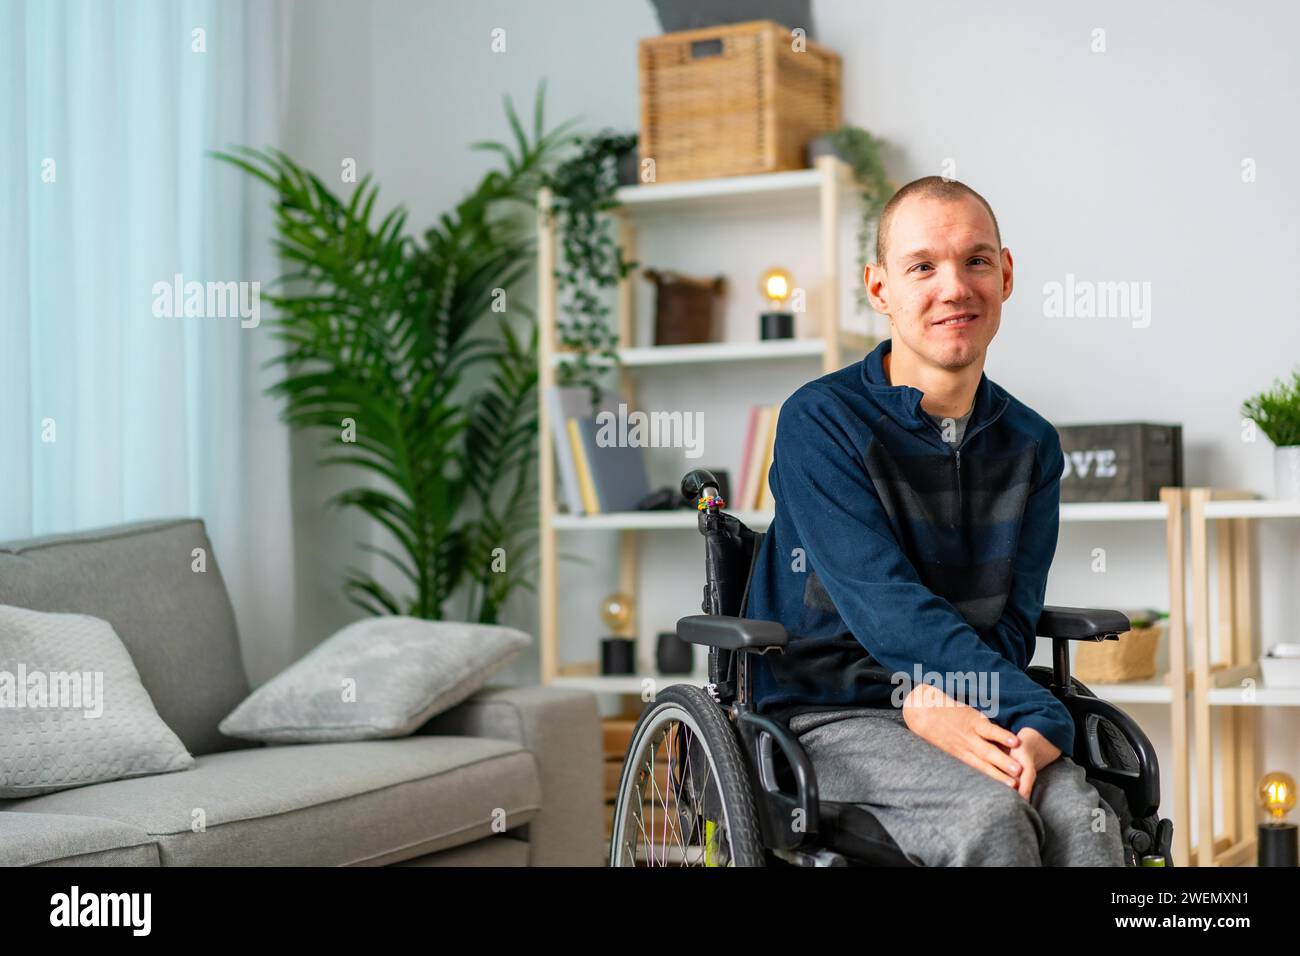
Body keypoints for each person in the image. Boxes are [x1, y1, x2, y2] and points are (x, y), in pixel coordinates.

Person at [744, 176, 1125, 866]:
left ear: (1004, 275)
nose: (954, 287)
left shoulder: (1031, 444)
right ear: (880, 287)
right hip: (830, 715)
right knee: (990, 821)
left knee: (1083, 820)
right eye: (922, 265)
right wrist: (1032, 713)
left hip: (973, 701)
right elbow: (886, 606)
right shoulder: (821, 421)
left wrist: (985, 708)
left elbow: (1013, 621)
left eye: (976, 260)